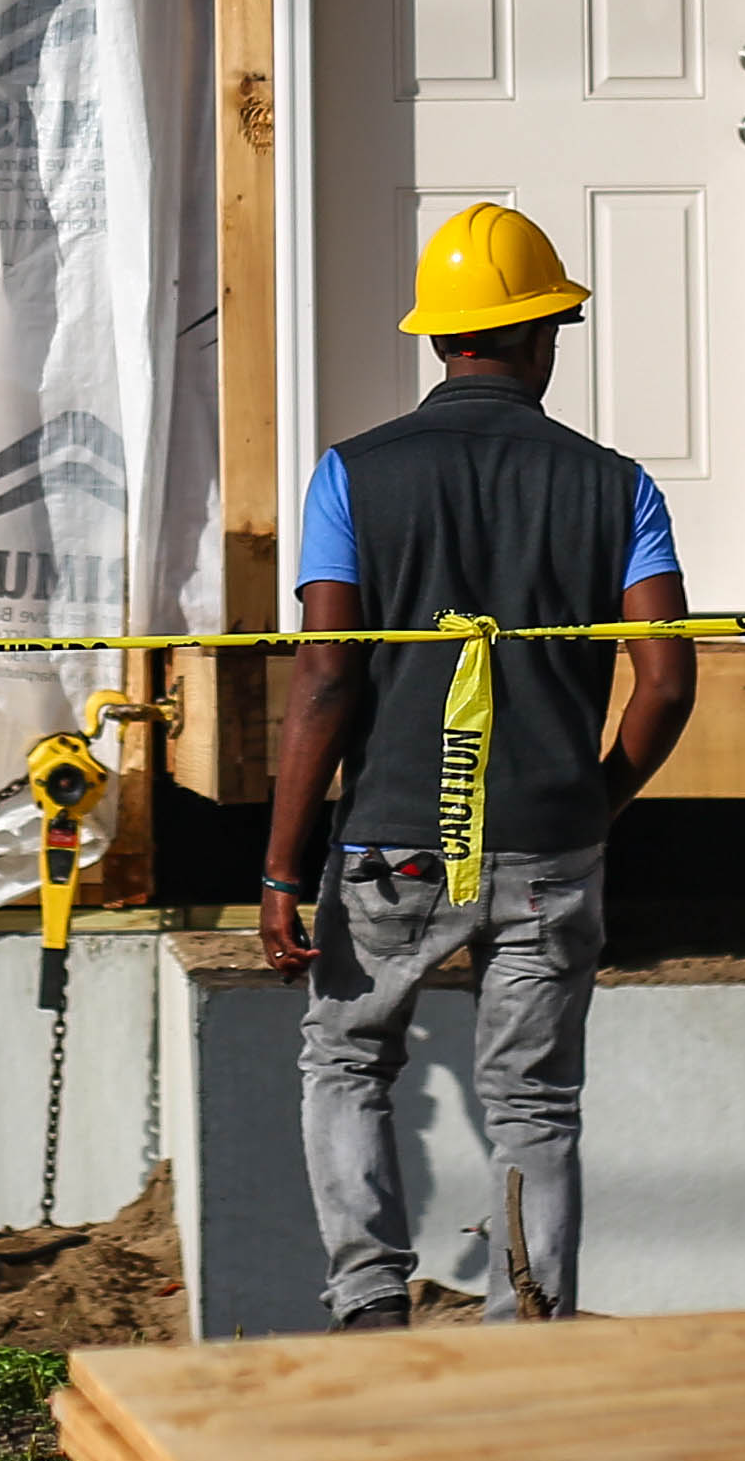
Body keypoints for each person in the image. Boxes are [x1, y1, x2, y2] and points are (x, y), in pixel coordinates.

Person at [255, 204, 699, 1327]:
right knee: (534, 1106)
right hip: (551, 845)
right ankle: (528, 1334)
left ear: (437, 339)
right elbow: (666, 680)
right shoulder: (617, 487)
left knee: (348, 1064)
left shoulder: (350, 477)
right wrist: (596, 799)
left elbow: (324, 677)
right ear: (543, 334)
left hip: (395, 840)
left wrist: (277, 865)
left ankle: (367, 1310)